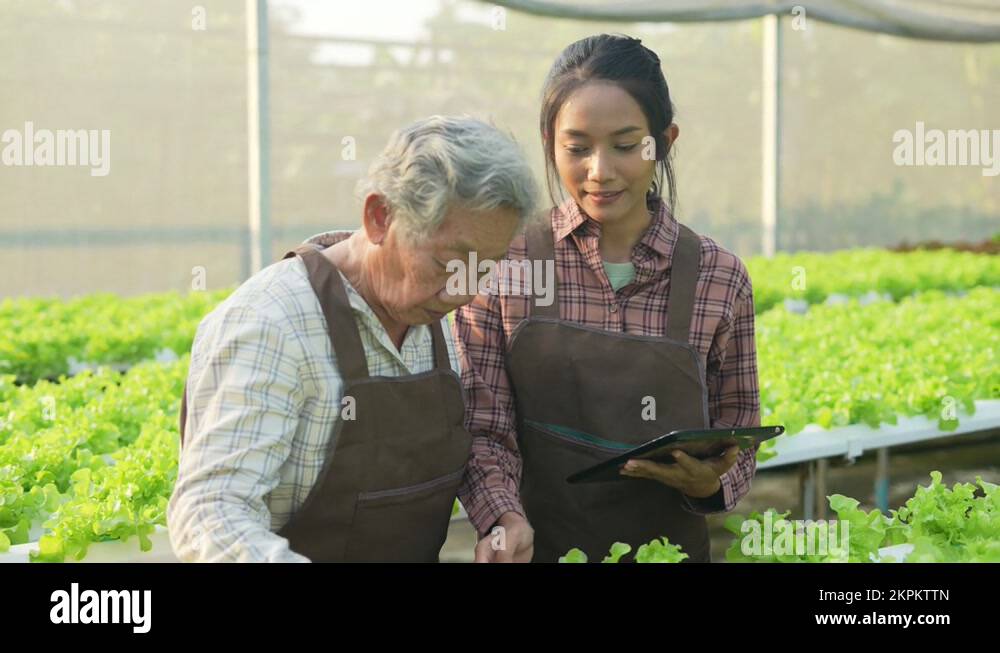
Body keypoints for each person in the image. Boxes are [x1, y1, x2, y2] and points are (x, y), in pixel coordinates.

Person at [168, 115, 537, 562]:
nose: (463, 291)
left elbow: (469, 434)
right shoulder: (271, 324)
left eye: (484, 267)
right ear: (380, 216)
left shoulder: (435, 312)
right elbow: (211, 513)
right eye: (446, 263)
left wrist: (500, 515)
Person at [454, 35, 761, 563]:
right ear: (549, 142)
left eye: (625, 145)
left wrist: (708, 482)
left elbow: (741, 426)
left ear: (663, 141)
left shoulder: (717, 275)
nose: (599, 171)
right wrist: (502, 517)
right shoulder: (506, 262)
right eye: (576, 148)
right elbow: (482, 426)